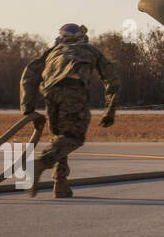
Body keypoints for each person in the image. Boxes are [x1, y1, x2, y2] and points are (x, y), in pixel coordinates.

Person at [19, 23, 120, 198]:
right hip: (73, 91)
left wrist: (28, 108)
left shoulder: (52, 52)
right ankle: (41, 163)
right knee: (74, 137)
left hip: (50, 93)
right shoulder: (89, 50)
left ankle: (61, 185)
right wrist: (110, 110)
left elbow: (29, 75)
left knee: (60, 139)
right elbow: (112, 80)